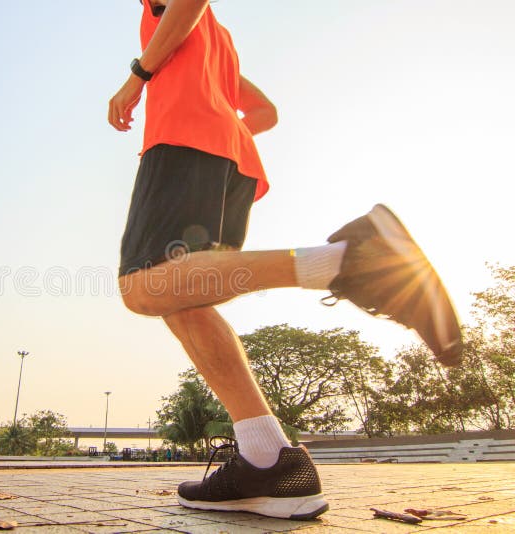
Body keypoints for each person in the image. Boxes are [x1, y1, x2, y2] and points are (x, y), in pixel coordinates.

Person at [108, 0, 462, 521]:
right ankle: (267, 458)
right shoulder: (216, 44)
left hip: (183, 142)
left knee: (144, 286)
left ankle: (348, 260)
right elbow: (265, 113)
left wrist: (137, 76)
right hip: (231, 160)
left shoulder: (166, 17)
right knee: (184, 297)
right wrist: (220, 130)